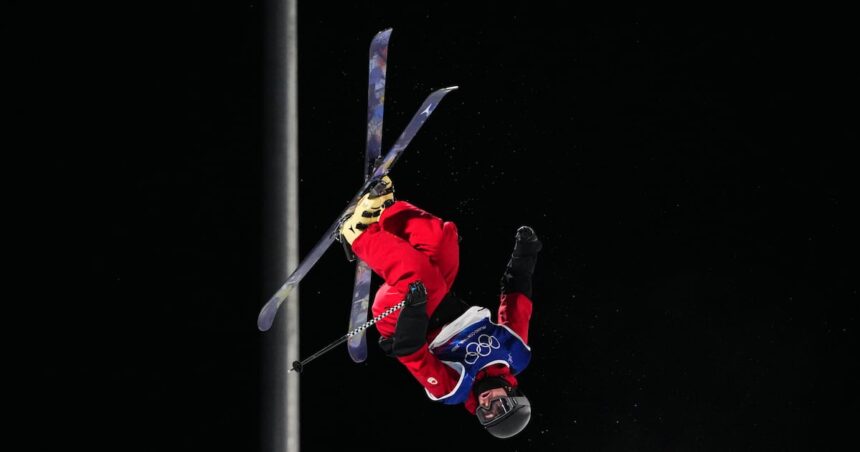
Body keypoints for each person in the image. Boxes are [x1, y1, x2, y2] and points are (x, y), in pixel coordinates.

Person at [339, 176, 542, 439]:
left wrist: (414, 310)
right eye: (499, 405)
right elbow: (516, 302)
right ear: (514, 395)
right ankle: (385, 214)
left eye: (485, 413)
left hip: (404, 317)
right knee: (444, 239)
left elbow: (411, 353)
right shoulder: (516, 352)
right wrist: (525, 254)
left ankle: (357, 233)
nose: (487, 403)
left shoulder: (453, 389)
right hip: (437, 294)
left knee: (424, 279)